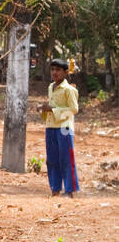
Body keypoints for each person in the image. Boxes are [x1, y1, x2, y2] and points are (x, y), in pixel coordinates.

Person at [42, 58, 80, 198]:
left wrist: (53, 110)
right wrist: (44, 109)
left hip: (64, 127)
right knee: (52, 158)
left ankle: (69, 190)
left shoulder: (69, 90)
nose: (54, 72)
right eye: (52, 69)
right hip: (51, 126)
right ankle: (55, 188)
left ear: (65, 73)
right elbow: (52, 107)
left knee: (66, 158)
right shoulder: (50, 87)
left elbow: (74, 109)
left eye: (58, 70)